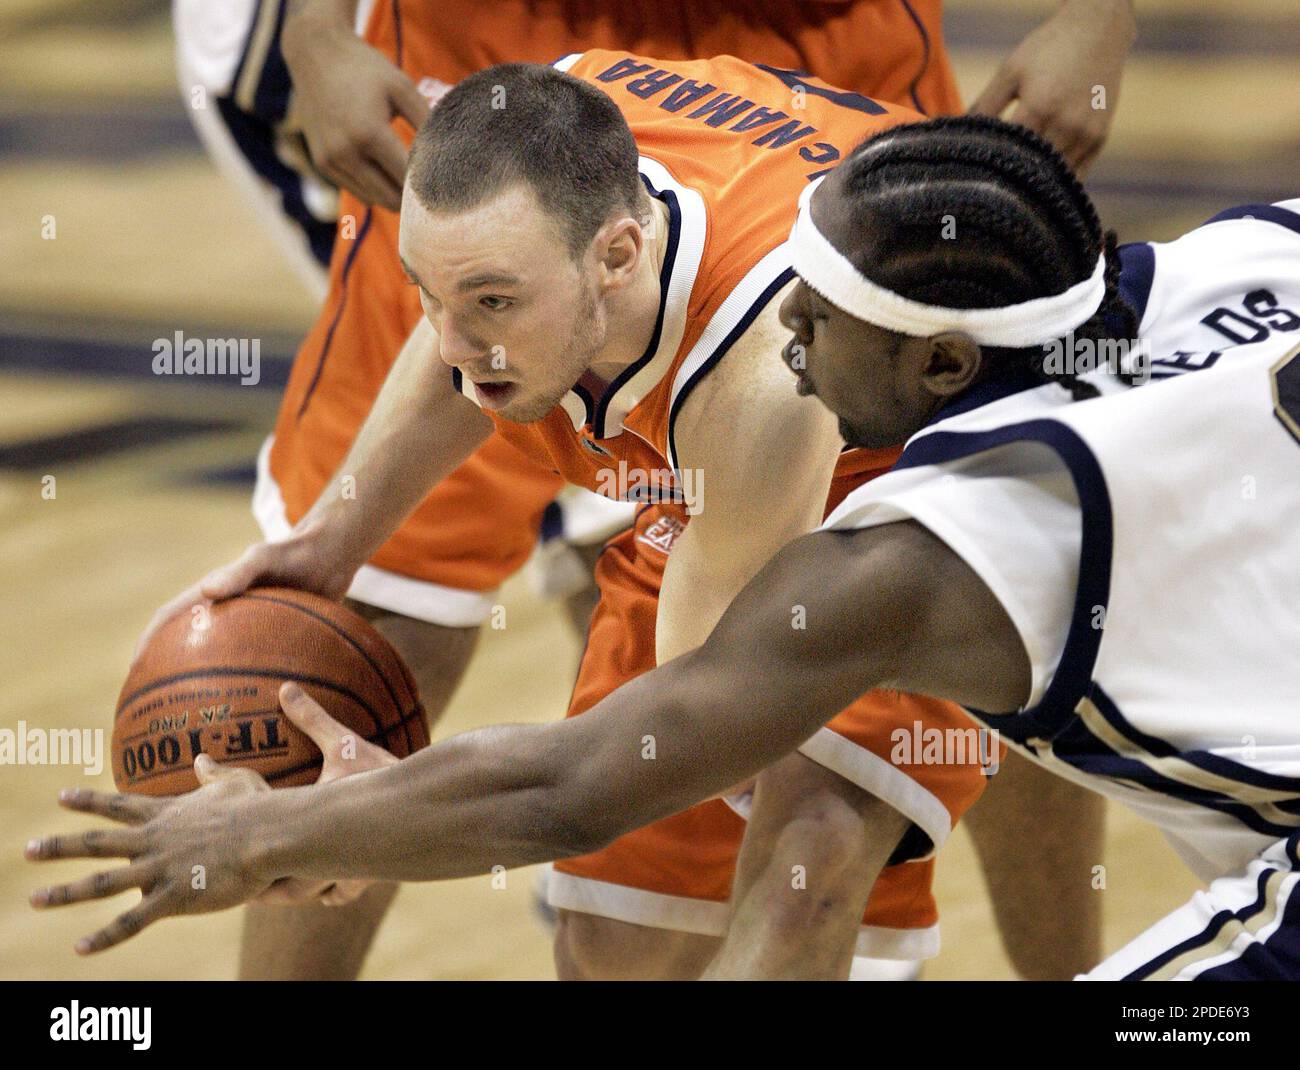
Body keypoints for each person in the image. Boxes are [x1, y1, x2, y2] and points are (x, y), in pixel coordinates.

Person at [29, 115, 1300, 980]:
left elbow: (575, 783)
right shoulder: (1252, 259)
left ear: (944, 363)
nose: (785, 332)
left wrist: (269, 835)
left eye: (820, 315)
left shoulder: (942, 557)